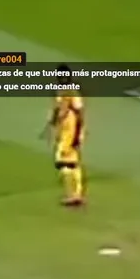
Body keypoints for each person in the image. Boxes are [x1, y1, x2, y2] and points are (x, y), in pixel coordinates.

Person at [43, 65, 85, 207]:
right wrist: (52, 124)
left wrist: (77, 134)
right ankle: (76, 194)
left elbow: (79, 114)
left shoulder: (72, 92)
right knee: (71, 162)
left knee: (65, 162)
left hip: (71, 130)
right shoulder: (61, 91)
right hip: (65, 131)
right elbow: (58, 110)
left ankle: (73, 195)